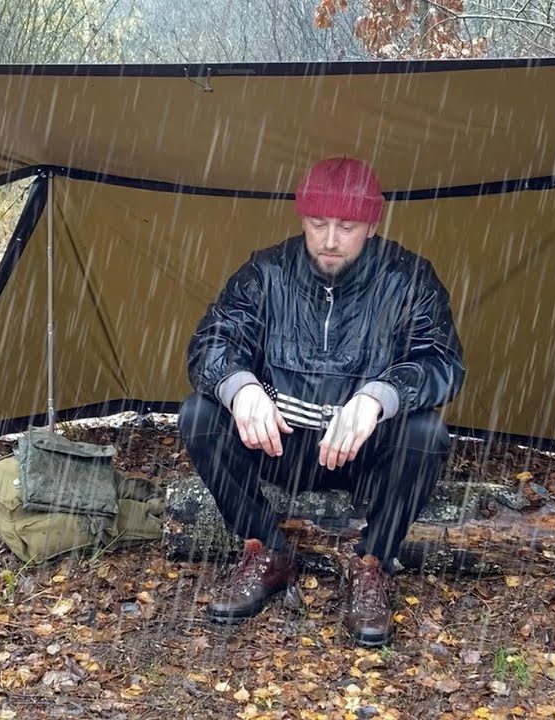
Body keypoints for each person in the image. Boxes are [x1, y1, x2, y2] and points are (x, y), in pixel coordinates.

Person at [177, 156, 465, 647]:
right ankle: (267, 550)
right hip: (281, 450)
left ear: (372, 224)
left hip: (365, 456)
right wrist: (241, 386)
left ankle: (371, 561)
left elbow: (441, 361)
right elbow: (212, 341)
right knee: (198, 416)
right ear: (301, 218)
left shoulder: (409, 278)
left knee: (427, 435)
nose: (330, 239)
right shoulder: (266, 272)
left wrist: (379, 397)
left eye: (347, 226)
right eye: (318, 223)